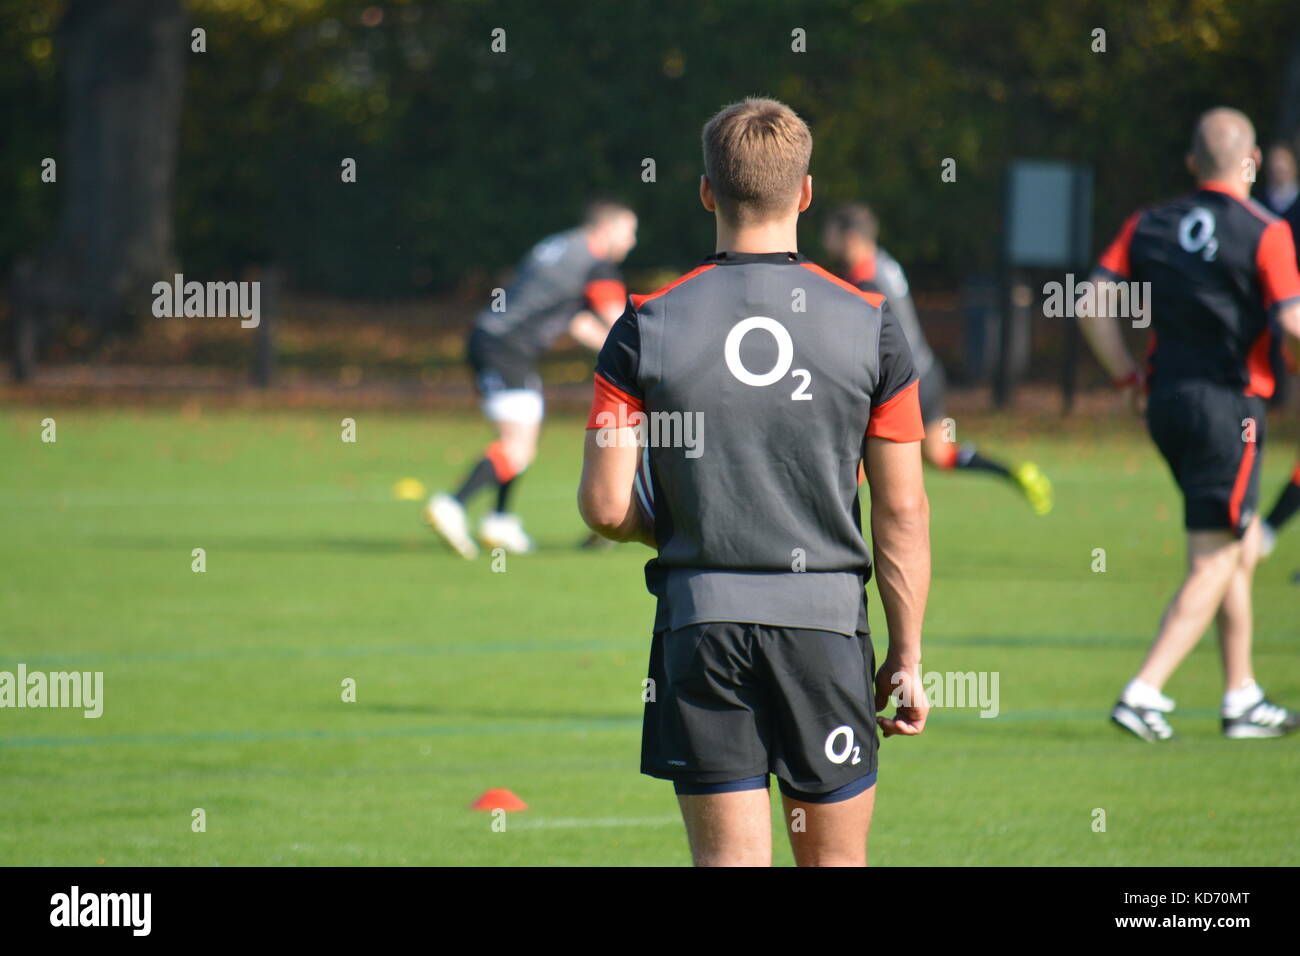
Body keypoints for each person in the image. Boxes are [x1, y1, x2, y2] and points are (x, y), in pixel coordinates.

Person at [578, 97, 930, 866]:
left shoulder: (646, 324)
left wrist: (670, 517)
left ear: (707, 191)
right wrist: (905, 655)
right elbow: (900, 509)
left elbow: (605, 507)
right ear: (805, 193)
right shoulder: (869, 324)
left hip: (700, 624)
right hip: (826, 632)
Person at [1079, 107, 1300, 740]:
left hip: (1166, 403)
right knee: (1216, 555)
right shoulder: (1268, 229)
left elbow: (1092, 301)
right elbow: (1289, 325)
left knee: (1233, 545)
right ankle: (1144, 692)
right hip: (1230, 410)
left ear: (1190, 164)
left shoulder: (1149, 222)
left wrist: (1126, 375)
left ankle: (1241, 696)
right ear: (1251, 162)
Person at [426, 201, 637, 558]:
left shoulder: (560, 247)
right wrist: (638, 358)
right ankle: (451, 505)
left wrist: (612, 351)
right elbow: (617, 321)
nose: (631, 241)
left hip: (493, 341)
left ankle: (500, 521)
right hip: (506, 349)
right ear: (608, 229)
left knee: (522, 436)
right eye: (629, 231)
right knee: (517, 446)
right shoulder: (595, 265)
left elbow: (577, 322)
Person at [823, 203, 1053, 514]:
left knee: (861, 453)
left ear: (850, 238)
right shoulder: (884, 263)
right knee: (940, 454)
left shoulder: (865, 281)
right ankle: (1013, 473)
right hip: (927, 372)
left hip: (903, 382)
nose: (828, 241)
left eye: (832, 235)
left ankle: (830, 520)